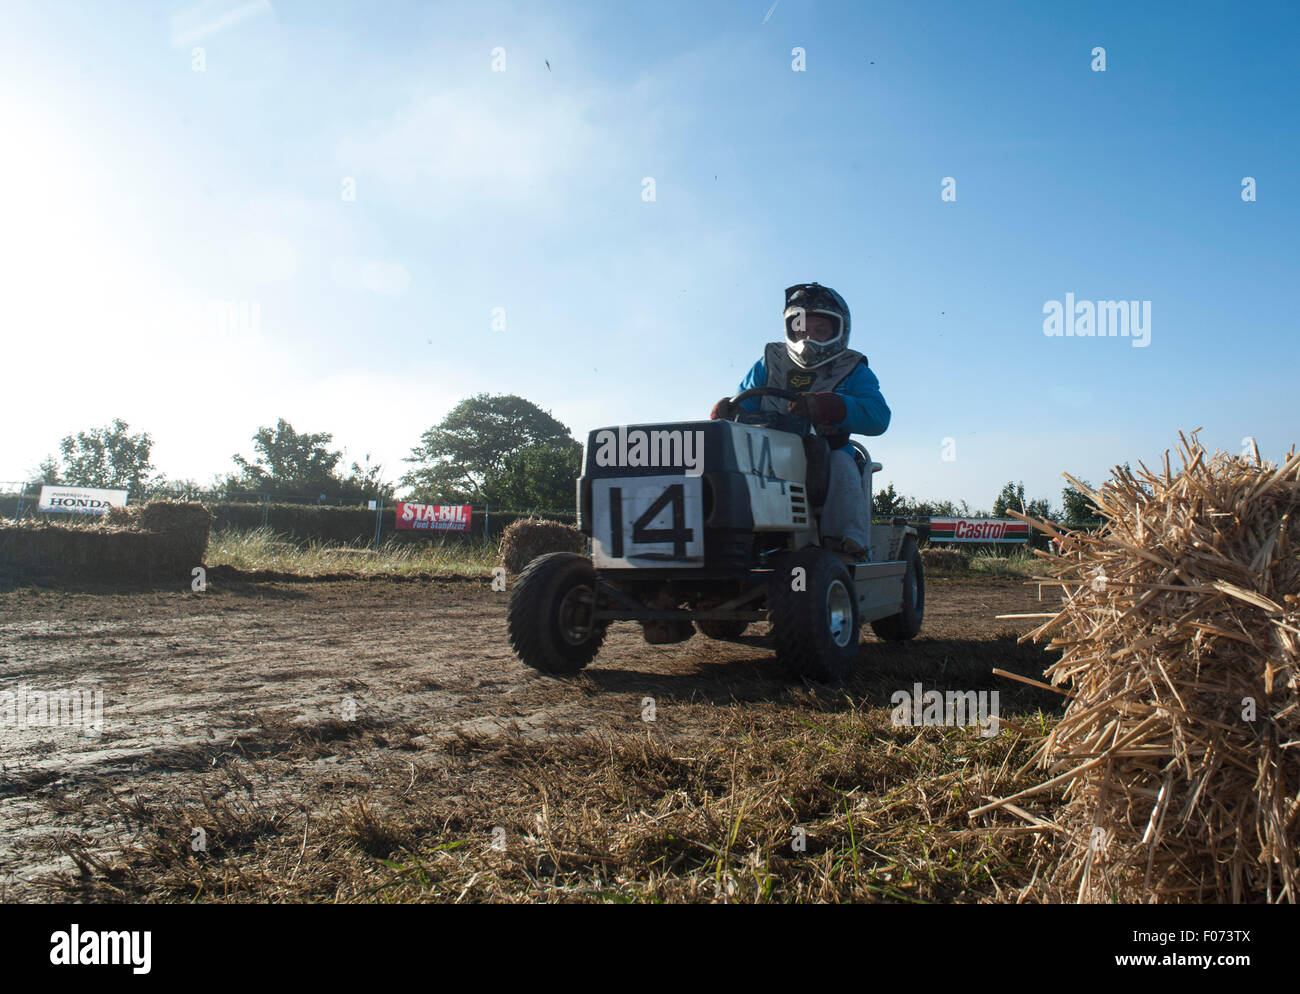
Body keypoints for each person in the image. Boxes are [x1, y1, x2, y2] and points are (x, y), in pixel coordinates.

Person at [711, 282, 890, 556]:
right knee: (728, 469)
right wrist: (726, 411)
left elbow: (879, 417)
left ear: (839, 332)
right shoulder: (770, 362)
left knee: (842, 463)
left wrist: (837, 406)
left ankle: (846, 541)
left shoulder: (853, 368)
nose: (809, 337)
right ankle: (729, 541)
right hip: (768, 455)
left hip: (827, 452)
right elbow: (743, 401)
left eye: (820, 331)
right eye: (802, 329)